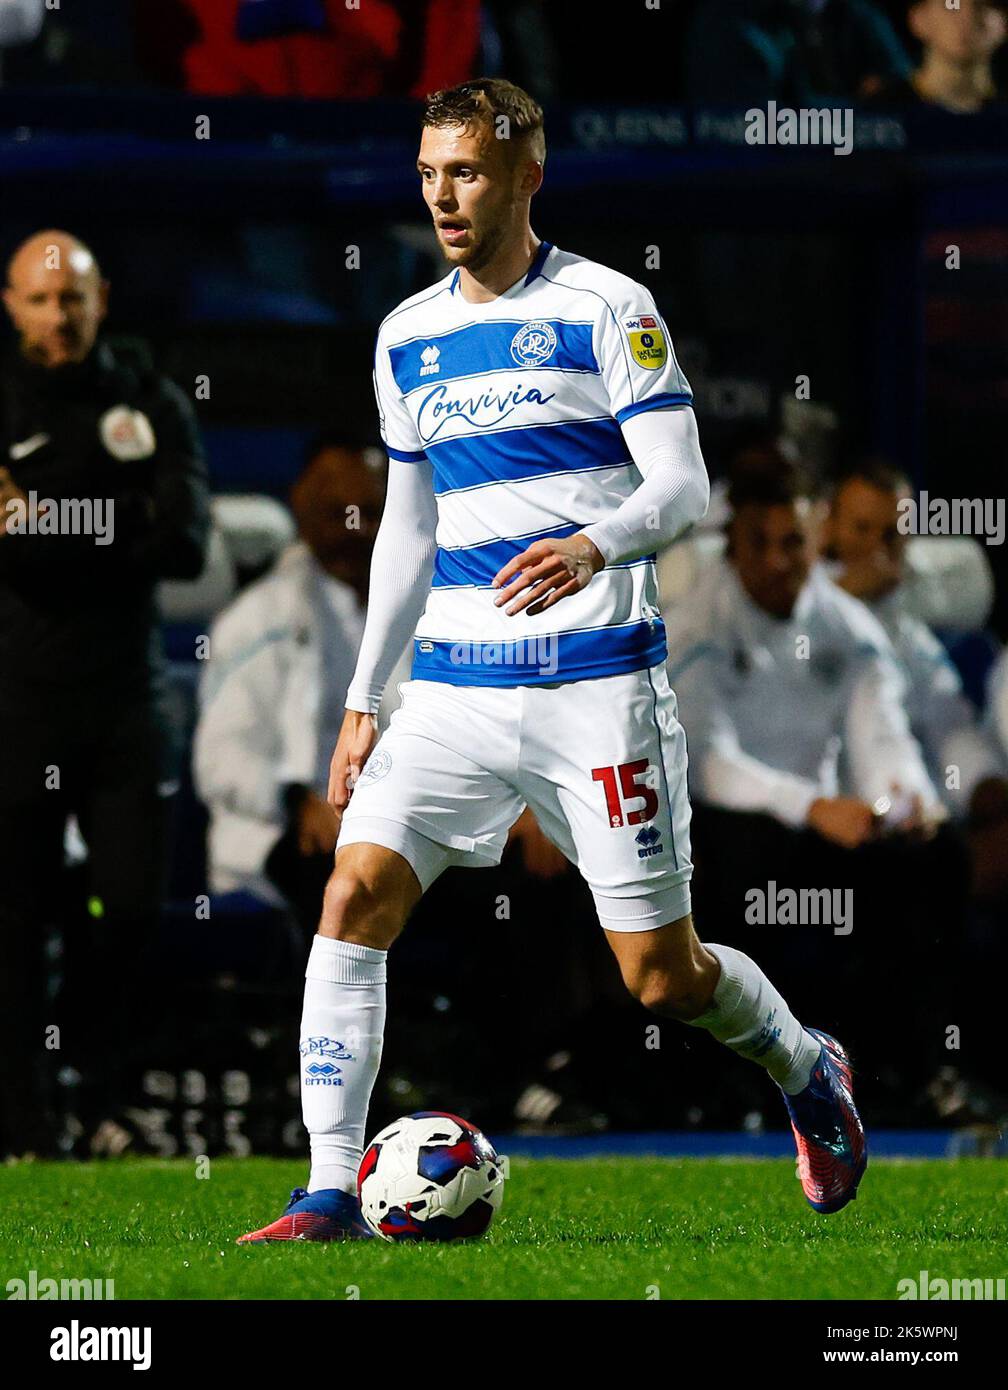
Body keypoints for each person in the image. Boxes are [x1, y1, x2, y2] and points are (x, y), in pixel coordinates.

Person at [238, 79, 866, 1244]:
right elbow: (410, 535)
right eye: (428, 174)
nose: (443, 196)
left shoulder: (608, 306)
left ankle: (801, 1062)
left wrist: (592, 543)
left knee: (660, 980)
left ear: (529, 173)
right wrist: (365, 700)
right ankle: (325, 1186)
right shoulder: (407, 335)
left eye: (465, 172)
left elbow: (683, 486)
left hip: (597, 687)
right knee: (354, 892)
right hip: (454, 691)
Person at [0, 229, 209, 1157]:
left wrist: (41, 520)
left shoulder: (153, 399)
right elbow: (143, 536)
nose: (59, 316)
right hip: (18, 704)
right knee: (13, 920)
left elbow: (189, 544)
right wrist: (121, 523)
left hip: (127, 705)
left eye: (73, 298)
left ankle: (104, 1095)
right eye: (41, 300)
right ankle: (25, 1116)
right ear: (11, 304)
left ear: (103, 299)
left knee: (126, 912)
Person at [193, 437, 384, 931]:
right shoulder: (255, 622)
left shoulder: (426, 614)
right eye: (337, 512)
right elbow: (219, 761)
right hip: (283, 839)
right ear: (301, 508)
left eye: (370, 511)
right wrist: (297, 801)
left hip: (394, 829)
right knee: (347, 882)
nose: (355, 529)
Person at [822, 461, 1005, 818]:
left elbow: (950, 728)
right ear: (830, 528)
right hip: (817, 819)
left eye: (891, 534)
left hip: (906, 816)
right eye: (862, 529)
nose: (877, 548)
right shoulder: (787, 613)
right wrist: (840, 596)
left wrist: (984, 787)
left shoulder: (910, 638)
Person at [872, 0, 1007, 111]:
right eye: (951, 4)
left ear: (1003, 24)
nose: (967, 17)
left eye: (981, 4)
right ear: (919, 18)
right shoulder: (871, 112)